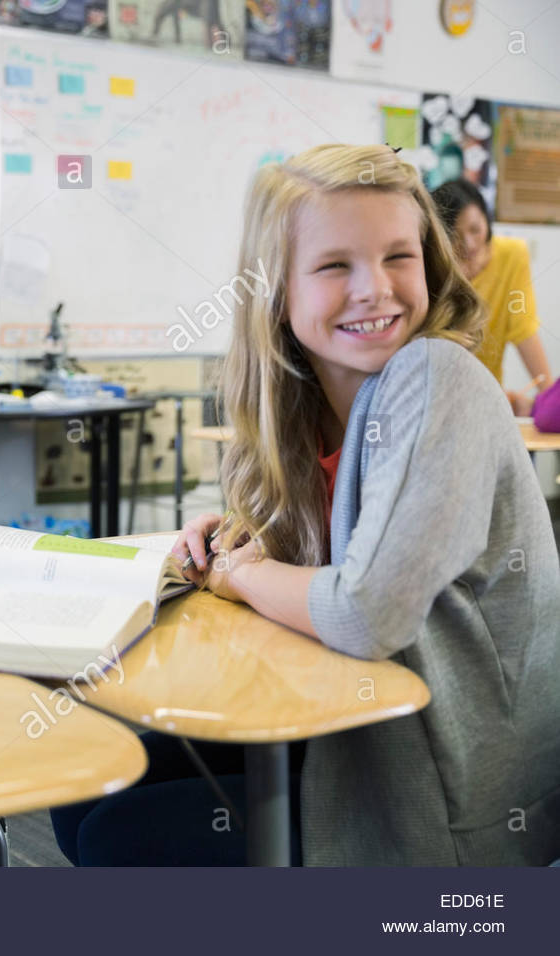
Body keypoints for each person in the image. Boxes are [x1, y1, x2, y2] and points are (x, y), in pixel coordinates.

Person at [54, 144, 560, 866]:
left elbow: (363, 611)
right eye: (334, 266)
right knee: (84, 793)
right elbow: (324, 557)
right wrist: (240, 537)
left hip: (447, 806)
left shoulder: (438, 376)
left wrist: (240, 575)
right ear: (277, 292)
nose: (376, 289)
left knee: (117, 839)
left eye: (398, 257)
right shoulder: (315, 406)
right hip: (353, 739)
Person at [432, 179, 553, 415]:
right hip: (438, 404)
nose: (468, 244)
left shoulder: (511, 255)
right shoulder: (434, 265)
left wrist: (550, 399)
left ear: (487, 221)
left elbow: (524, 329)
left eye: (476, 229)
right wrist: (458, 278)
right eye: (455, 235)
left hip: (488, 401)